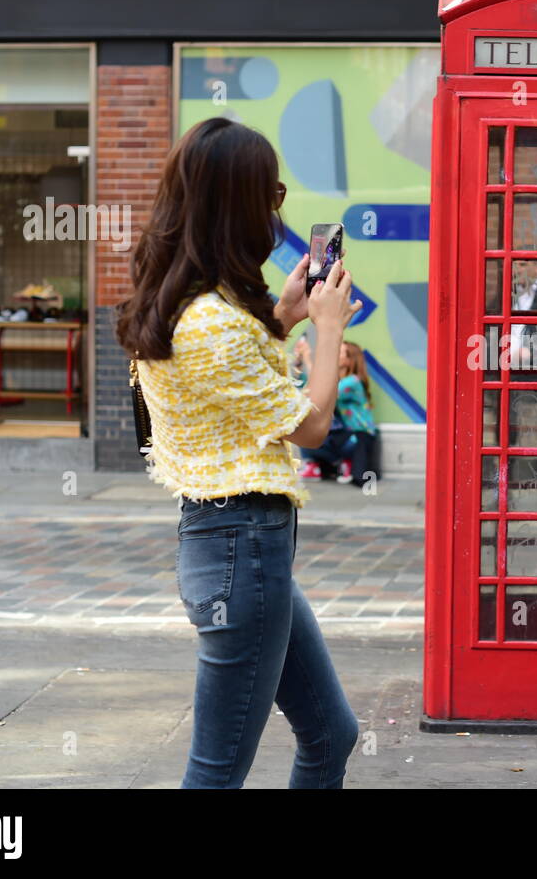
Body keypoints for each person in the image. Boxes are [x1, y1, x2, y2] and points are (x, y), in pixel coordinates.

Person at [115, 116, 362, 789]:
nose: (276, 206)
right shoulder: (209, 320)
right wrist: (329, 329)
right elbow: (310, 427)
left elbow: (233, 392)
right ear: (239, 205)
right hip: (240, 551)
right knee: (217, 773)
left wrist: (283, 315)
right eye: (269, 192)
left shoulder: (193, 301)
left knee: (332, 735)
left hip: (248, 549)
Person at [295, 340, 378, 485]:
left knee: (313, 433)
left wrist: (309, 360)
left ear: (349, 360)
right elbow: (306, 390)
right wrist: (300, 363)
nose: (334, 355)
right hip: (341, 434)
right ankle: (331, 464)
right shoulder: (336, 379)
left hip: (357, 437)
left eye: (339, 352)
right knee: (307, 433)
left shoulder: (353, 382)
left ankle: (340, 462)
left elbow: (322, 393)